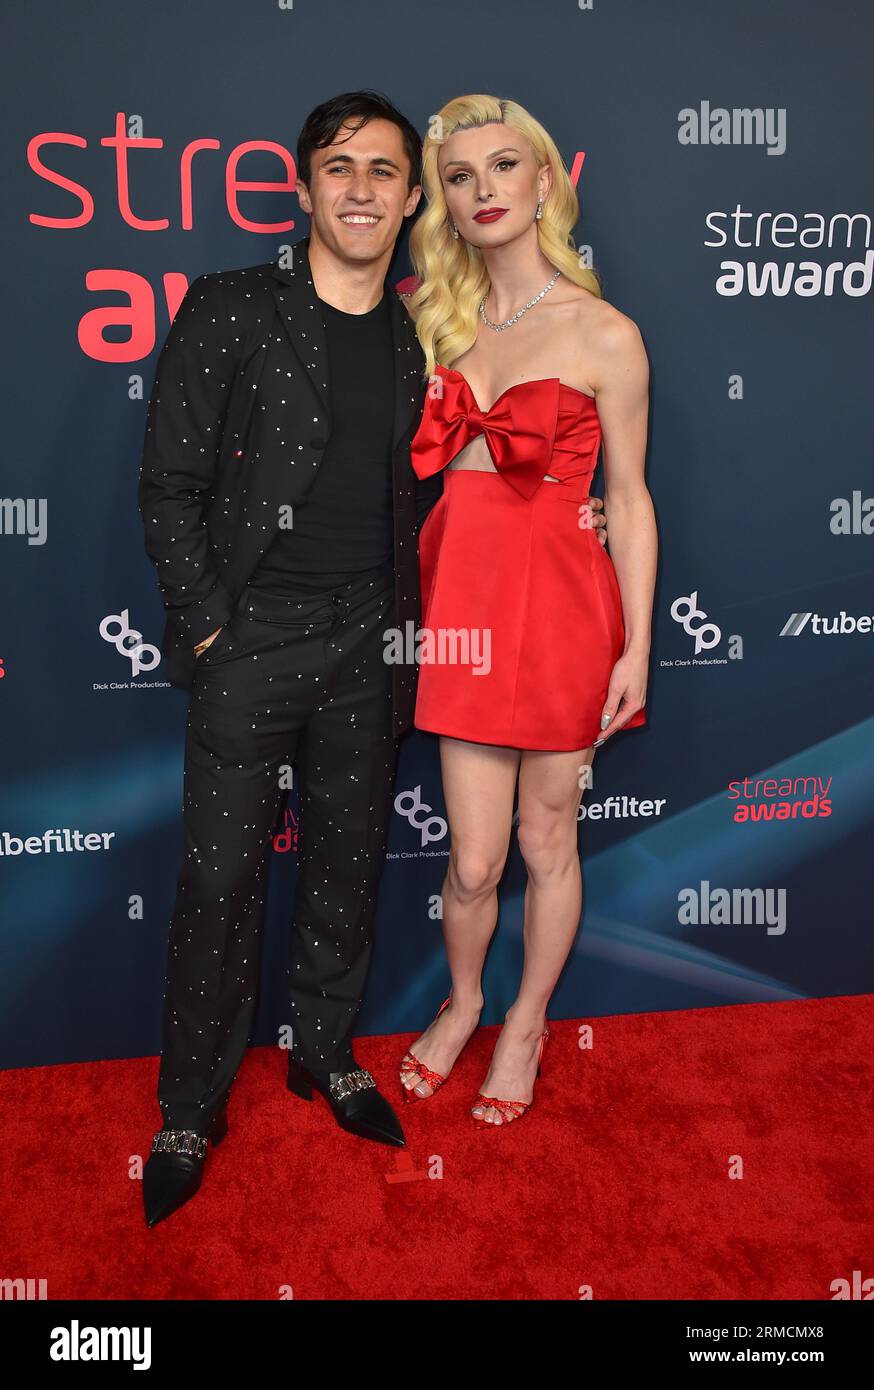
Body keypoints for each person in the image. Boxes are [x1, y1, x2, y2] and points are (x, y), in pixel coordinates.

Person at [138, 89, 612, 1226]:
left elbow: (508, 454)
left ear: (411, 201)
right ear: (304, 186)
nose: (361, 189)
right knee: (216, 880)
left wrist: (575, 511)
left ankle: (323, 1049)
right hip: (249, 640)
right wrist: (211, 627)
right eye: (337, 167)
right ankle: (190, 1110)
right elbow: (170, 487)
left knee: (348, 865)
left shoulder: (427, 332)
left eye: (385, 173)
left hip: (378, 641)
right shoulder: (234, 306)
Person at [398, 94, 656, 1126]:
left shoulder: (605, 334)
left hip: (561, 611)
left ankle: (525, 1022)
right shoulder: (427, 323)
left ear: (544, 183)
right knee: (471, 859)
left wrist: (637, 643)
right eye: (460, 177)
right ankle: (463, 1000)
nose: (483, 191)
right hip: (459, 609)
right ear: (445, 201)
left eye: (504, 168)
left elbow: (631, 499)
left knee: (547, 842)